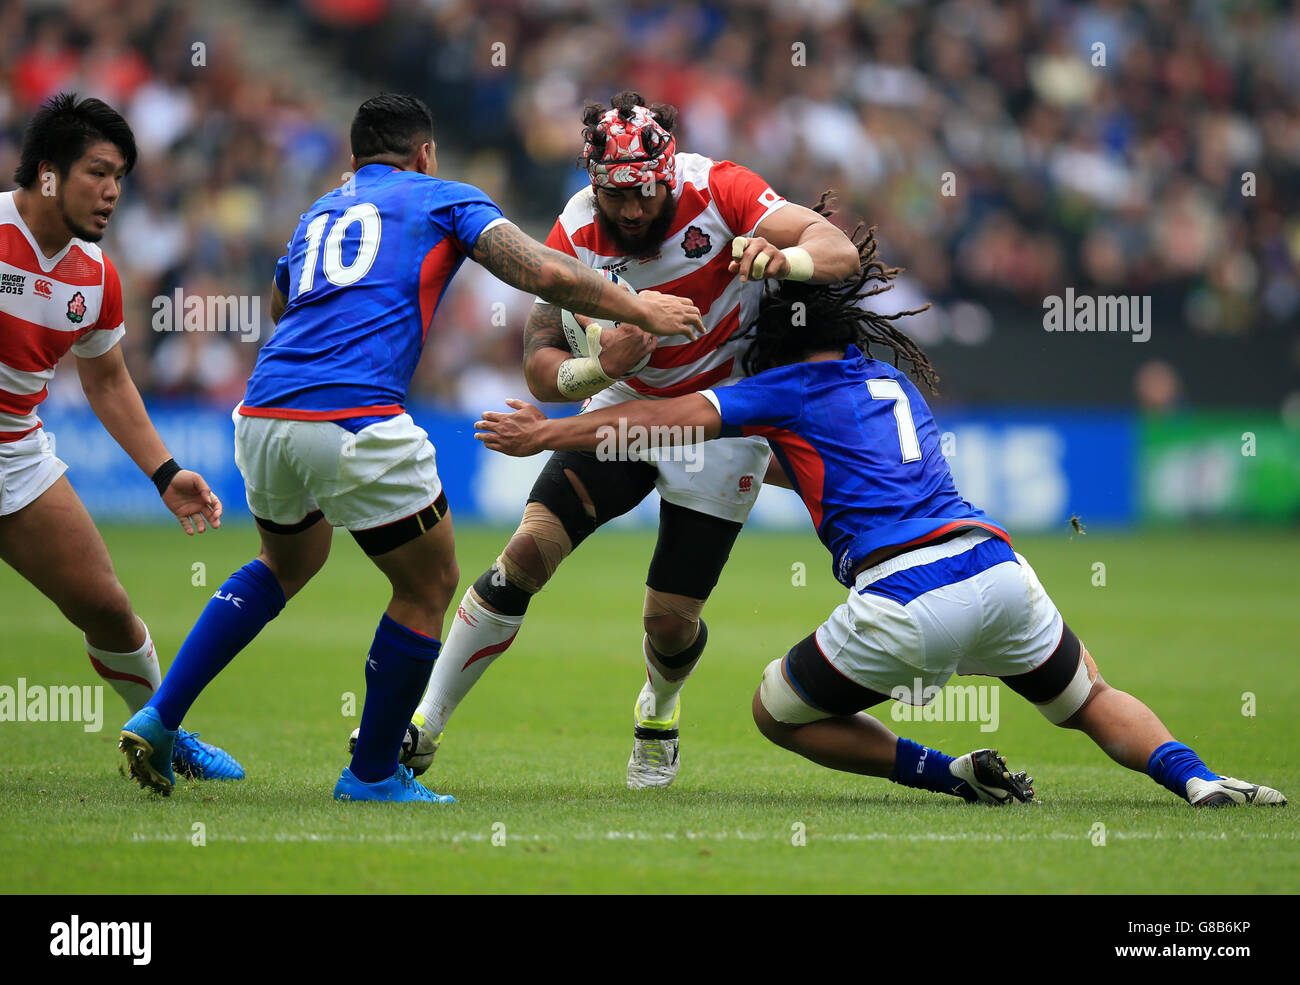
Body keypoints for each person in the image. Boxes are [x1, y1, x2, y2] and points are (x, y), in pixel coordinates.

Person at [474, 219, 1286, 809]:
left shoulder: (780, 388)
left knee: (776, 711)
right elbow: (823, 468)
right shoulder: (889, 382)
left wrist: (547, 429)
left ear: (777, 339)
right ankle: (1200, 778)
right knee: (1088, 696)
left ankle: (948, 773)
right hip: (998, 566)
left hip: (904, 593)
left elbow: (657, 421)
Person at [118, 93, 702, 802]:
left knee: (285, 561)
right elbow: (540, 272)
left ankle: (159, 714)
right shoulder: (443, 197)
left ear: (355, 157)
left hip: (263, 411)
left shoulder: (318, 212)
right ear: (424, 153)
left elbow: (280, 304)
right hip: (354, 415)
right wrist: (640, 307)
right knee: (428, 584)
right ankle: (370, 773)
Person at [403, 90, 861, 790]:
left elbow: (838, 251)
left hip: (719, 421)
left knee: (669, 625)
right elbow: (539, 365)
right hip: (624, 408)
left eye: (644, 193)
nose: (633, 210)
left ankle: (660, 705)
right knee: (526, 554)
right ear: (594, 185)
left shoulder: (724, 190)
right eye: (617, 198)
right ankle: (423, 724)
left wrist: (782, 260)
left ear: (668, 172)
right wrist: (600, 367)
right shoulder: (576, 229)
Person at [0, 92, 239, 781]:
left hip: (16, 453)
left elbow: (107, 381)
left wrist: (166, 474)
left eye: (120, 179)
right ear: (48, 172)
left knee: (106, 605)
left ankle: (164, 732)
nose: (111, 193)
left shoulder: (96, 273)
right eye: (97, 173)